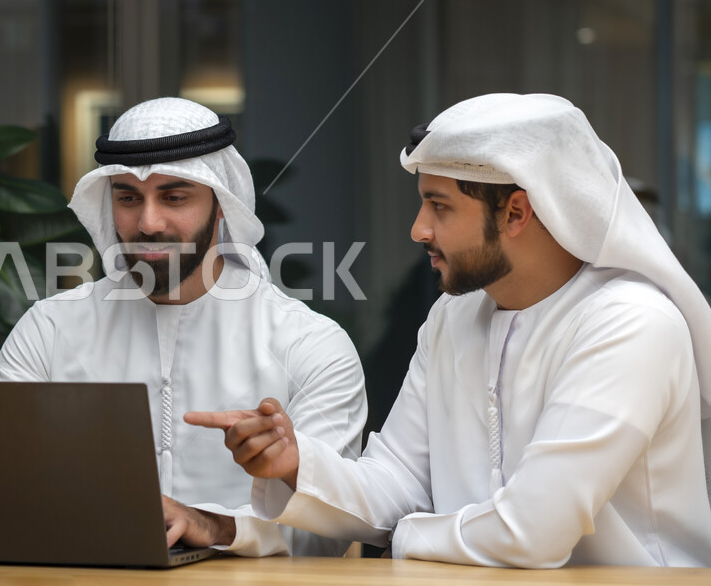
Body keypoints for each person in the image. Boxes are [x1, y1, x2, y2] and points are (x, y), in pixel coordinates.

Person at [187, 93, 711, 567]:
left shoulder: (631, 323)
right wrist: (297, 461)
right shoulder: (453, 316)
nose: (419, 229)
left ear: (516, 212)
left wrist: (405, 537)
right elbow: (396, 482)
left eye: (439, 206)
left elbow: (532, 533)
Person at [0, 97, 367, 556]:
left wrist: (216, 526)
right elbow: (1, 495)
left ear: (222, 203)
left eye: (174, 197)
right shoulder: (47, 331)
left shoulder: (310, 345)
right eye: (128, 198)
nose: (148, 223)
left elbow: (330, 531)